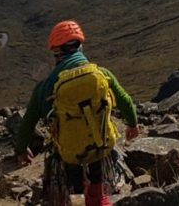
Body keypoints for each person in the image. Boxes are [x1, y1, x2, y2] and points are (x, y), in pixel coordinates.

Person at [14, 20, 141, 206]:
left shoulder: (46, 88)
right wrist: (133, 124)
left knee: (70, 163)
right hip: (100, 144)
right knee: (97, 155)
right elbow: (125, 100)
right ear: (80, 47)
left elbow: (28, 122)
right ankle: (98, 199)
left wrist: (21, 150)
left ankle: (77, 199)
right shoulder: (101, 74)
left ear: (56, 52)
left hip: (68, 150)